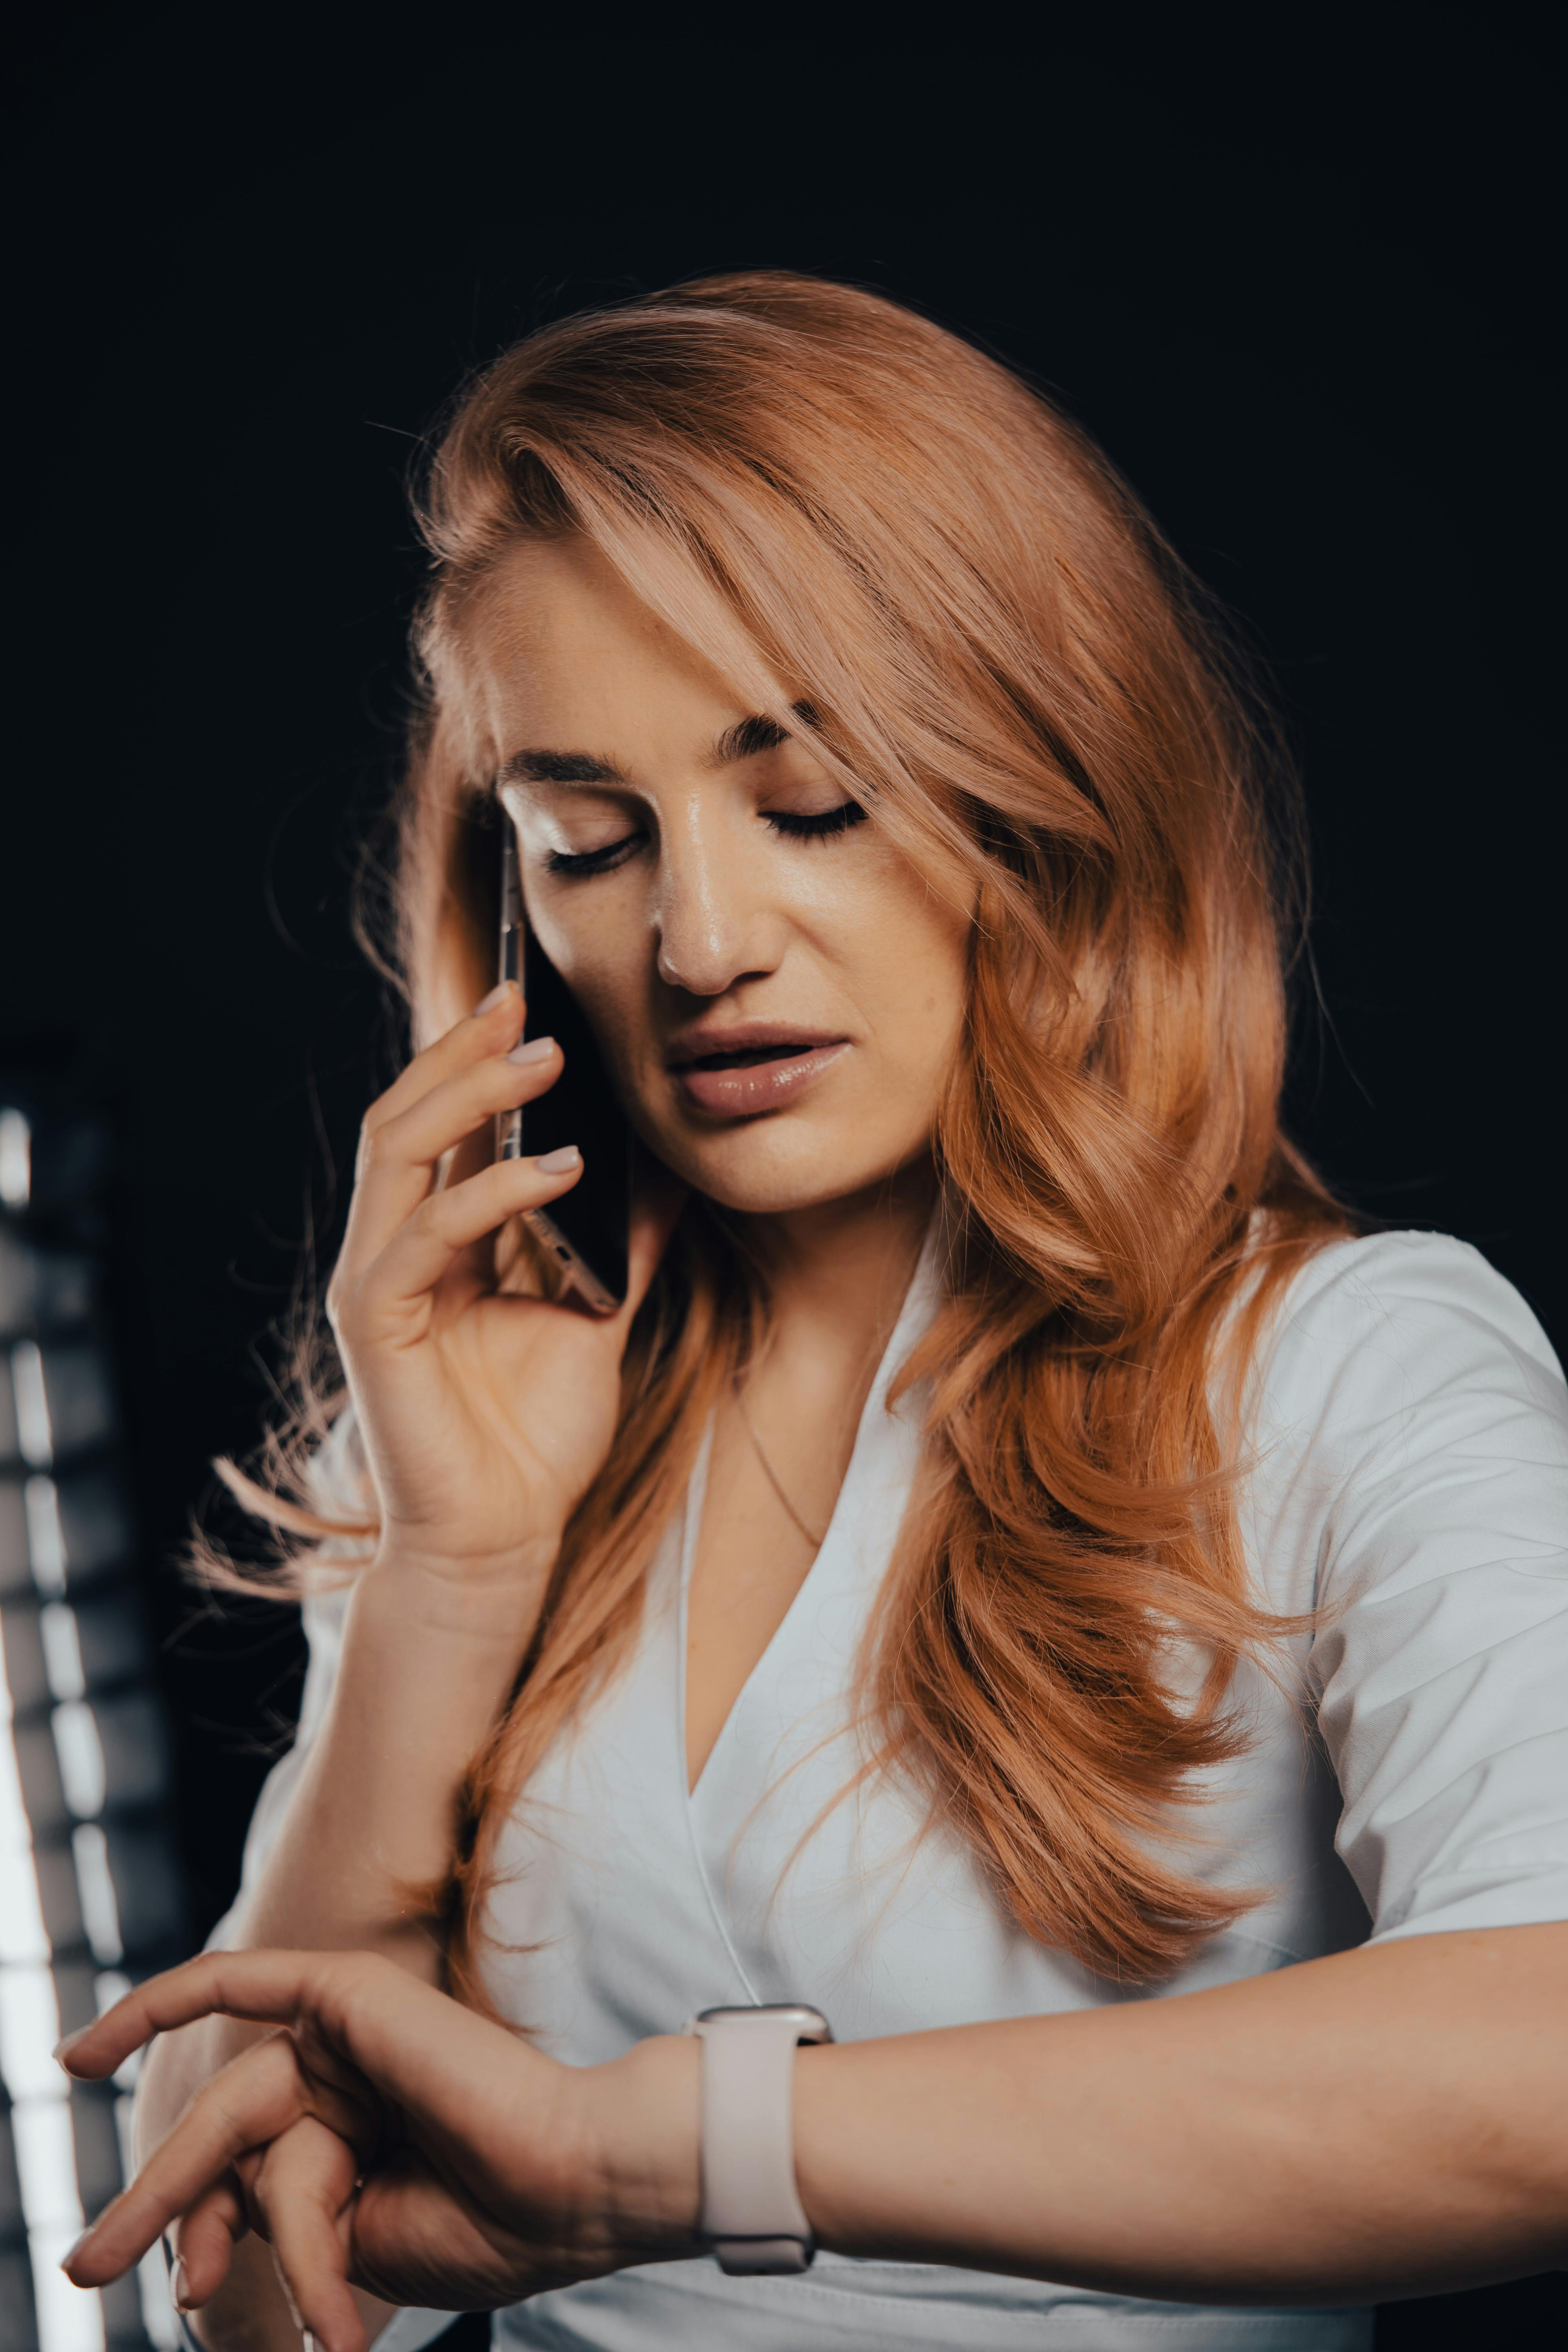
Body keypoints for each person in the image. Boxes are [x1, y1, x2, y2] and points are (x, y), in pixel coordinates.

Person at [65, 275, 1568, 2351]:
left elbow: (1544, 2069)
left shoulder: (1345, 1373)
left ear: (1037, 783)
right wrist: (447, 1577)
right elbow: (233, 2300)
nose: (700, 940)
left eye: (813, 805)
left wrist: (671, 2157)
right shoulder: (488, 1426)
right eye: (590, 840)